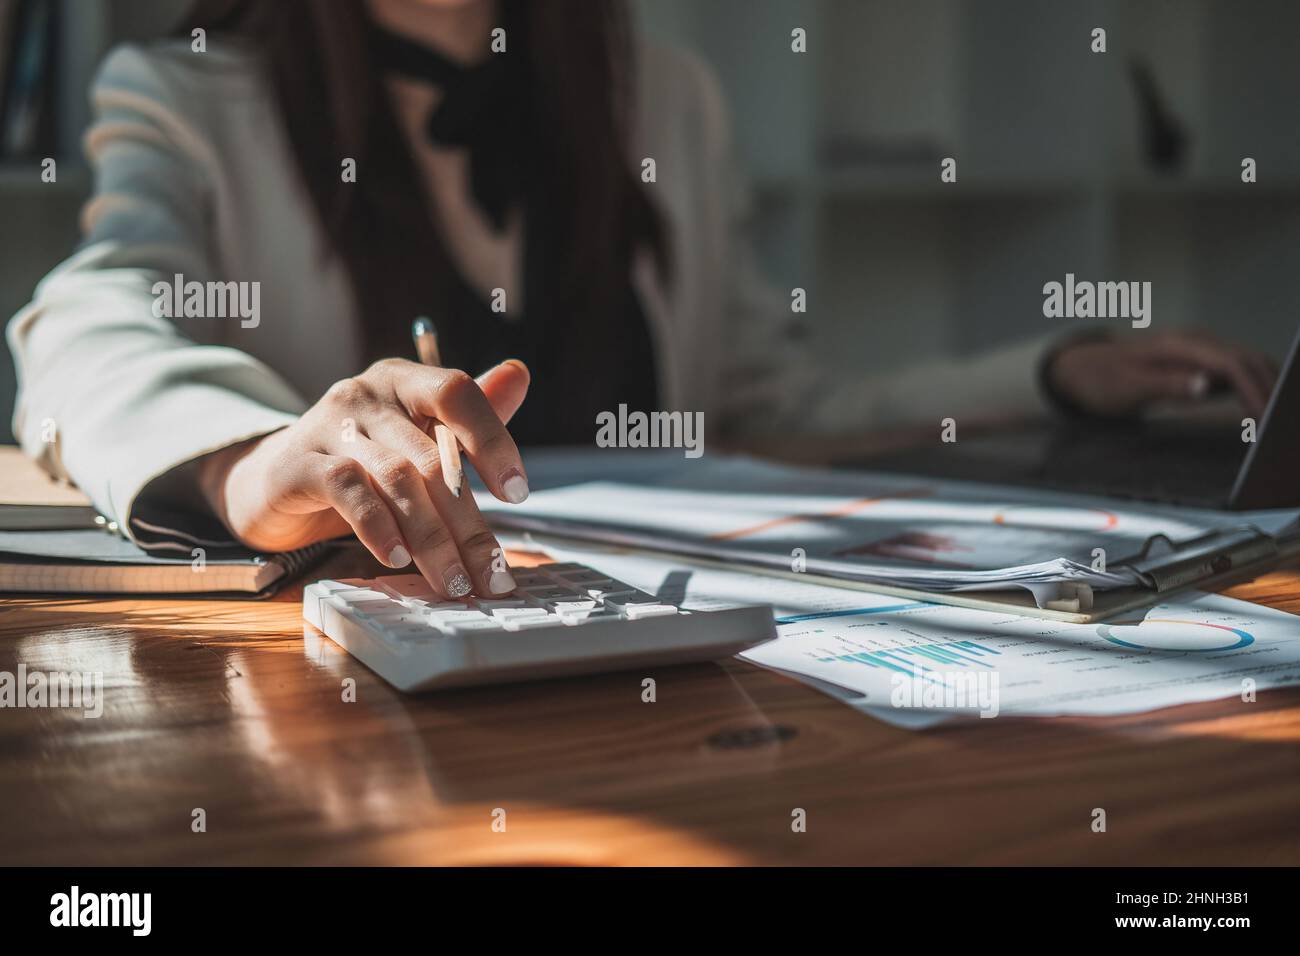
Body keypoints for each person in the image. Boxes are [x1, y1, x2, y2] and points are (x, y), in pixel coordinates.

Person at [6, 0, 1276, 600]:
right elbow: (81, 318)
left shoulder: (661, 99)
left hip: (668, 643)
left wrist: (1045, 376)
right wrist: (255, 461)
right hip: (400, 674)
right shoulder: (184, 96)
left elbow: (770, 403)